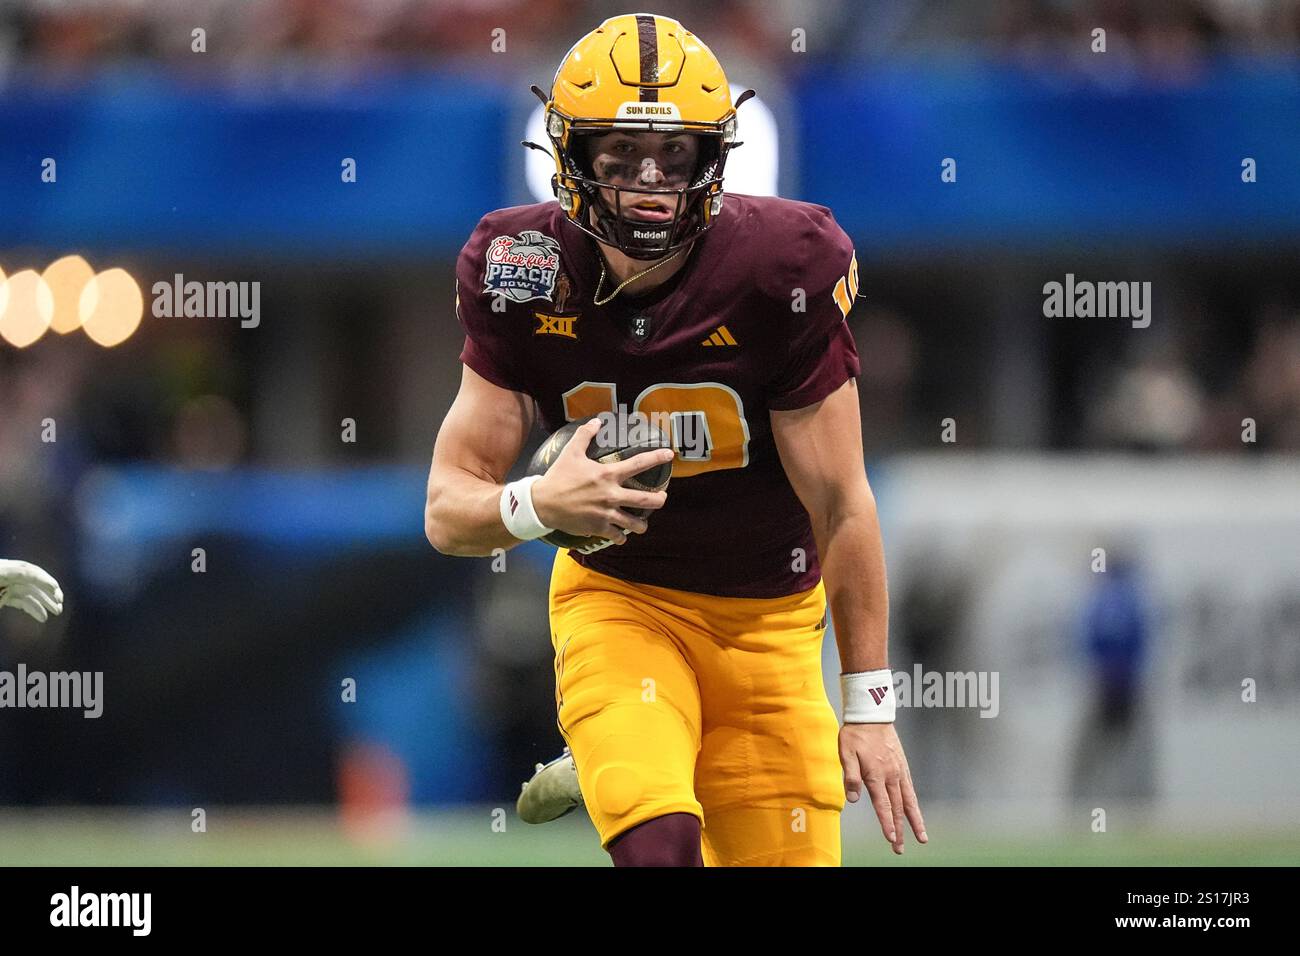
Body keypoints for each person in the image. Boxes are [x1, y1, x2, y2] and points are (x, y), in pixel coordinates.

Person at [425, 13, 925, 866]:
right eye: (619, 156)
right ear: (571, 159)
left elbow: (841, 503)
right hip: (621, 604)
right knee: (660, 848)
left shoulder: (783, 266)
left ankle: (630, 748)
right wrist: (535, 504)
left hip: (768, 628)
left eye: (676, 156)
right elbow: (446, 509)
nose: (649, 183)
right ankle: (632, 741)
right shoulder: (520, 266)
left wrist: (870, 706)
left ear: (715, 159)